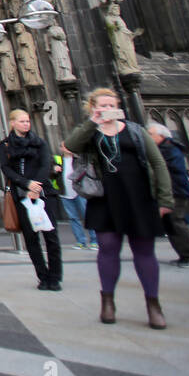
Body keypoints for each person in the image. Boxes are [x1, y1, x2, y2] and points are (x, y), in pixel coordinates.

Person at [64, 88, 172, 329]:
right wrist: (93, 122)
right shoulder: (90, 134)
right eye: (101, 105)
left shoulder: (135, 131)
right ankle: (108, 302)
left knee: (144, 250)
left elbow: (158, 163)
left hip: (139, 196)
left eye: (110, 105)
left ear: (118, 106)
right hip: (105, 198)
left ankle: (153, 305)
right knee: (108, 249)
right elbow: (70, 145)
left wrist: (165, 200)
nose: (106, 109)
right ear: (92, 108)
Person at [0, 109, 62, 290]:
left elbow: (45, 164)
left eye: (27, 121)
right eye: (22, 121)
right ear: (13, 123)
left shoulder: (39, 143)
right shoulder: (5, 145)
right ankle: (42, 277)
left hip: (43, 193)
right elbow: (6, 168)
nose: (26, 124)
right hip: (21, 194)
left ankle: (55, 277)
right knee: (31, 238)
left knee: (51, 236)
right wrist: (26, 184)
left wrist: (37, 185)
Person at [147, 123, 189, 267]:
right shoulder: (165, 148)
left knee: (176, 223)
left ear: (162, 136)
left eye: (151, 135)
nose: (148, 137)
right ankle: (185, 255)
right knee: (171, 224)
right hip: (171, 191)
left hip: (175, 191)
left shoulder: (170, 149)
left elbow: (167, 169)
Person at [56, 144, 97, 250]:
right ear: (61, 148)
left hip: (80, 191)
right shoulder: (58, 159)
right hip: (65, 193)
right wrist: (54, 170)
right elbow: (51, 175)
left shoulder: (78, 159)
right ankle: (80, 241)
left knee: (87, 215)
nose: (66, 148)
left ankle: (94, 240)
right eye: (64, 146)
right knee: (73, 217)